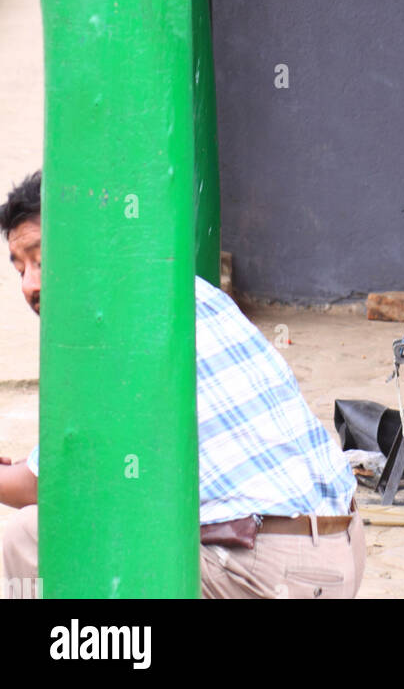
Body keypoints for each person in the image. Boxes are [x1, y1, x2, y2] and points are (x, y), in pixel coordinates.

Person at [0, 170, 365, 599]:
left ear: (90, 241)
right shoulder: (183, 290)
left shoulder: (103, 329)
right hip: (339, 548)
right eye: (20, 267)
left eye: (42, 260)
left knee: (34, 536)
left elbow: (43, 487)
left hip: (272, 570)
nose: (30, 285)